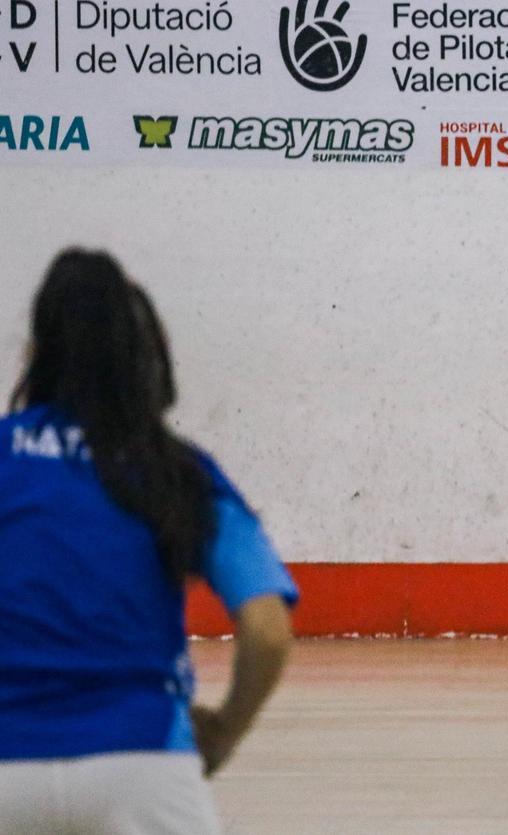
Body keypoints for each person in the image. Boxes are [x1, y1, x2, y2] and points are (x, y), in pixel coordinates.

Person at [0, 250, 297, 833]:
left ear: (37, 350)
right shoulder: (177, 469)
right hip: (144, 765)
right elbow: (266, 629)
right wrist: (224, 732)